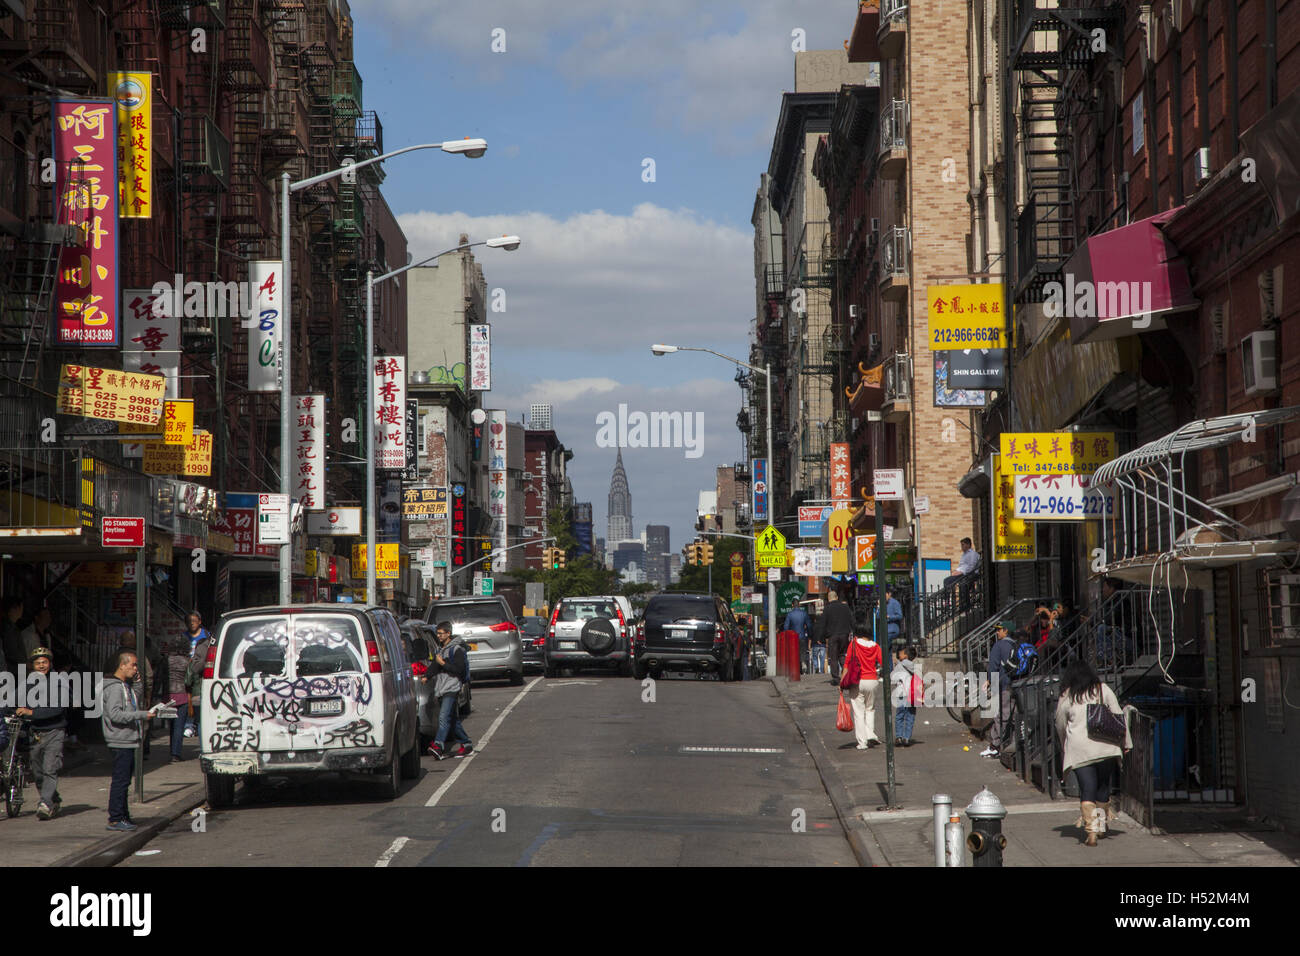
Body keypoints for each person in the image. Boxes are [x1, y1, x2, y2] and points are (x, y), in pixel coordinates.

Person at [1055, 658, 1131, 847]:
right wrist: (1126, 742)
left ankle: (1091, 833)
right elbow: (1118, 716)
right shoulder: (1102, 689)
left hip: (1080, 750)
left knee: (1087, 788)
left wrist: (1064, 743)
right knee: (1103, 787)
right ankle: (1102, 826)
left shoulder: (1067, 696)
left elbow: (1060, 724)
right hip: (1105, 746)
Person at [101, 650, 162, 832]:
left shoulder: (124, 686)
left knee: (125, 780)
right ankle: (116, 817)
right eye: (133, 665)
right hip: (120, 739)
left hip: (128, 739)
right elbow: (115, 714)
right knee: (121, 781)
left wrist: (137, 681)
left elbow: (135, 697)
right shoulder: (114, 687)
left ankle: (123, 815)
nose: (136, 668)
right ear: (122, 665)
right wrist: (144, 715)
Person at [17, 646, 66, 820]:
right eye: (38, 663)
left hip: (54, 732)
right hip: (35, 733)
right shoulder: (29, 683)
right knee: (37, 774)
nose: (41, 666)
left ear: (50, 663)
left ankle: (45, 803)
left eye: (44, 662)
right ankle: (53, 799)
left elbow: (58, 708)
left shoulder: (59, 682)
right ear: (32, 666)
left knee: (49, 769)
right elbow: (15, 699)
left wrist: (32, 713)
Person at [427, 621, 472, 760]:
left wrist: (443, 664)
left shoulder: (456, 649)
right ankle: (466, 743)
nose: (439, 636)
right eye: (438, 634)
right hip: (441, 687)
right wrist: (426, 676)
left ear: (448, 633)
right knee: (452, 719)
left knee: (444, 716)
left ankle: (438, 745)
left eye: (441, 634)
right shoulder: (441, 649)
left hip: (452, 687)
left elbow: (459, 669)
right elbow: (435, 666)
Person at [841, 620, 883, 750]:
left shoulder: (853, 644)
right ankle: (870, 733)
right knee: (870, 708)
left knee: (858, 712)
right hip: (872, 680)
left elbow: (847, 665)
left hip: (857, 681)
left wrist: (841, 682)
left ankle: (862, 742)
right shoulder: (876, 646)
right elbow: (882, 662)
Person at [982, 620, 1016, 757]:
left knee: (1002, 715)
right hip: (1019, 684)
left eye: (999, 629)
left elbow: (993, 666)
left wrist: (990, 681)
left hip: (1006, 685)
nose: (997, 632)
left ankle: (995, 745)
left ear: (1006, 631)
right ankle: (1014, 743)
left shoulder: (999, 646)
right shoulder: (1016, 645)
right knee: (1014, 716)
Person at [119, 632, 155, 759]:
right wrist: (148, 696)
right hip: (135, 696)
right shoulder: (138, 656)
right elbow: (149, 677)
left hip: (117, 696)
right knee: (140, 723)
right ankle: (137, 752)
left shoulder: (113, 657)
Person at [183, 612, 213, 738]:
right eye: (189, 621)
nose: (192, 623)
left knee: (197, 699)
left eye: (194, 620)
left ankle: (196, 723)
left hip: (199, 672)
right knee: (187, 698)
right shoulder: (183, 636)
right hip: (186, 670)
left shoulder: (207, 635)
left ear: (199, 621)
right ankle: (188, 725)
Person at [815, 589, 854, 686]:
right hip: (845, 635)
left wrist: (820, 638)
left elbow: (822, 624)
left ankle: (836, 678)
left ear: (829, 599)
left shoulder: (827, 609)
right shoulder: (845, 607)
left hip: (833, 636)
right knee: (842, 655)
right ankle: (847, 675)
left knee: (833, 657)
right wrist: (854, 632)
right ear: (836, 598)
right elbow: (852, 620)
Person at [891, 645, 919, 747]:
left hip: (901, 694)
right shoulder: (915, 667)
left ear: (906, 656)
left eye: (901, 653)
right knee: (910, 716)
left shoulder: (899, 666)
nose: (899, 654)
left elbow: (893, 678)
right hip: (912, 695)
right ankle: (906, 738)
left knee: (899, 716)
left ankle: (898, 737)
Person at [783, 602, 811, 674]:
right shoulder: (804, 613)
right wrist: (810, 635)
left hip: (793, 637)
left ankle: (795, 668)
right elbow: (809, 625)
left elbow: (786, 627)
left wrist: (787, 636)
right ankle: (803, 662)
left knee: (794, 653)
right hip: (802, 636)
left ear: (792, 605)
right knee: (802, 651)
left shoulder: (789, 614)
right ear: (799, 605)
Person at [0, 597, 22, 675]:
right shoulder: (8, 629)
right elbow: (12, 653)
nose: (21, 611)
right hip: (13, 671)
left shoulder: (13, 628)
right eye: (20, 608)